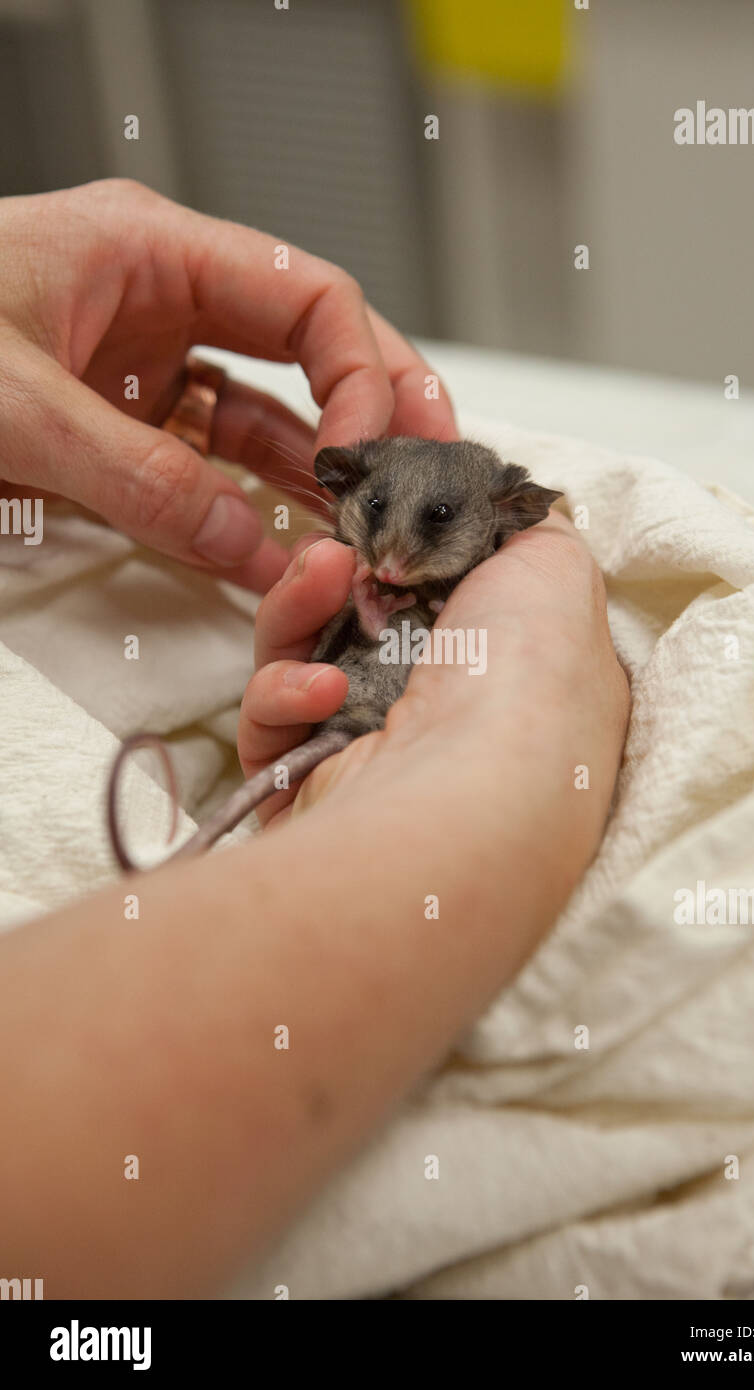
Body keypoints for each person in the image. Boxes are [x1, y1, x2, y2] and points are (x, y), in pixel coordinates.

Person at [0, 180, 629, 1297]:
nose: (388, 558)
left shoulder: (505, 532)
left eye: (434, 529)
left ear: (503, 518)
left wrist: (485, 722)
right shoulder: (376, 556)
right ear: (341, 488)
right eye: (371, 519)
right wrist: (500, 758)